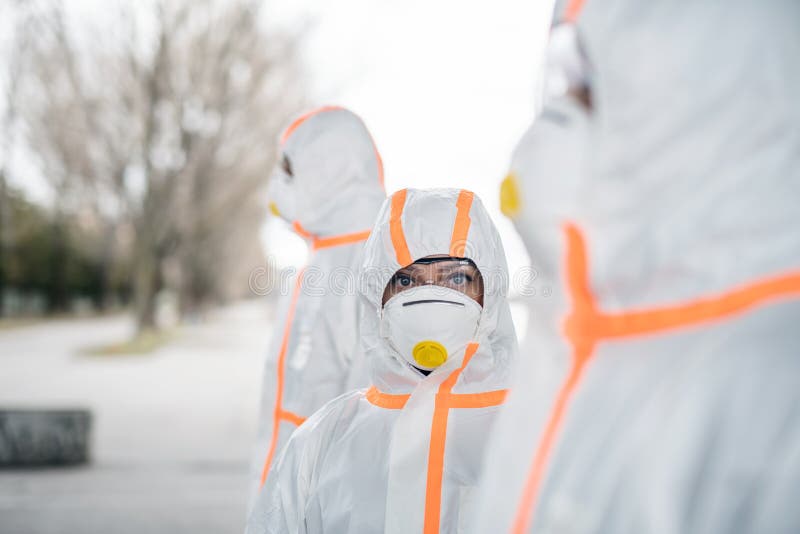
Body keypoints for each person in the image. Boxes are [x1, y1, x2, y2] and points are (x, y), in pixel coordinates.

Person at [471, 0, 800, 533]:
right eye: (563, 82)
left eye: (588, 84)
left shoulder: (775, 388)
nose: (555, 124)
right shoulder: (569, 349)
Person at [247, 188, 518, 533]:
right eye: (406, 280)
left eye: (455, 278)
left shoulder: (531, 436)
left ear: (490, 292)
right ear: (377, 296)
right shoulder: (323, 439)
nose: (430, 299)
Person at [249, 107, 386, 508]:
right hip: (288, 503)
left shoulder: (376, 267)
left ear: (327, 171)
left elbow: (371, 430)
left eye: (288, 171)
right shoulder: (321, 262)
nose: (279, 185)